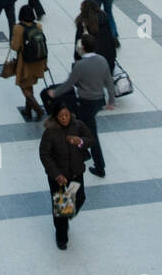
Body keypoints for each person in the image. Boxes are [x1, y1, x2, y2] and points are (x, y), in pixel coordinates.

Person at [46, 31, 115, 174]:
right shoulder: (102, 60)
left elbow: (69, 84)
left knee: (88, 133)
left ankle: (97, 164)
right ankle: (87, 155)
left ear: (82, 47)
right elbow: (109, 82)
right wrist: (111, 101)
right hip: (98, 101)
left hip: (85, 102)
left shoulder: (80, 65)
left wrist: (55, 93)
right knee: (84, 128)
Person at [39, 103, 92, 250]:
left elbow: (90, 139)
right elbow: (45, 155)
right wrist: (56, 175)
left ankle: (67, 214)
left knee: (79, 198)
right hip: (59, 178)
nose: (64, 118)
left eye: (66, 115)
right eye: (61, 116)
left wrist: (80, 141)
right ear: (56, 117)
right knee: (61, 209)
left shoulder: (78, 126)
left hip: (76, 172)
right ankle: (61, 238)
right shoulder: (50, 133)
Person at [9, 5, 49, 121]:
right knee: (29, 85)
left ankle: (38, 110)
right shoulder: (38, 26)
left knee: (24, 86)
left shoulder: (18, 28)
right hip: (39, 61)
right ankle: (27, 110)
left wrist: (12, 42)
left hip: (25, 62)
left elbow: (15, 47)